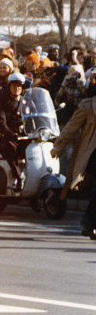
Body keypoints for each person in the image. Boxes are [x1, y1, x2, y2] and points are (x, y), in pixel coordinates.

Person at [51, 96, 96, 239]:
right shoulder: (89, 106)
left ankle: (89, 223)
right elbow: (71, 126)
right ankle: (88, 223)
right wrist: (58, 146)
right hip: (93, 154)